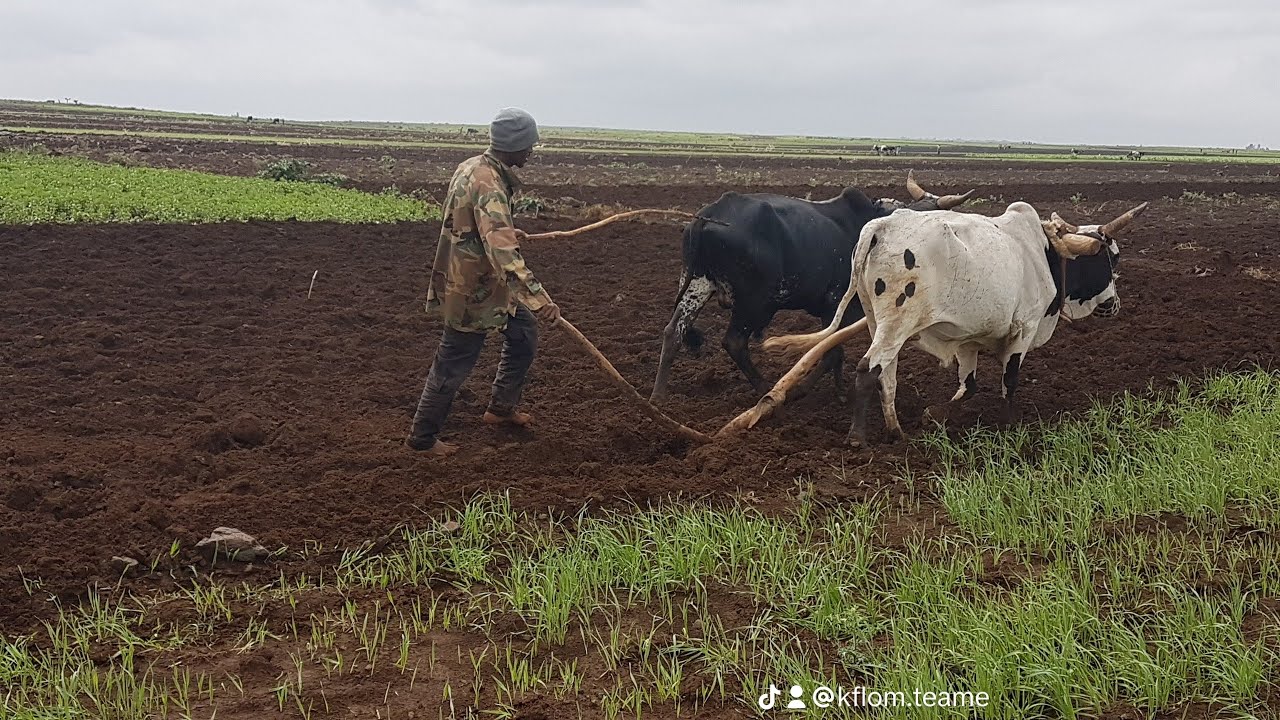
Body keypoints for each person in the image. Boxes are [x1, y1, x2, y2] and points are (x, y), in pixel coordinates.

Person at [406, 107, 560, 457]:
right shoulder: (489, 184)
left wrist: (504, 230)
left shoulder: (472, 166)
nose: (531, 152)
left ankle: (501, 409)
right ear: (513, 145)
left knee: (523, 334)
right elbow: (503, 253)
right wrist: (539, 298)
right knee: (453, 360)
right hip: (472, 288)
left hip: (486, 284)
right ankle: (422, 439)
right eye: (529, 145)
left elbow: (469, 221)